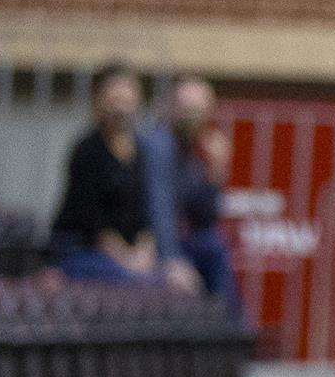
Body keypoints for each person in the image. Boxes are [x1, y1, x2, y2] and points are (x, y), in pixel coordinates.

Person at [50, 61, 190, 290]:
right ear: (99, 102)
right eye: (115, 100)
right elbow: (89, 218)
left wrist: (145, 249)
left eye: (127, 101)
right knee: (138, 282)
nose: (122, 109)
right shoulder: (87, 150)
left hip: (133, 253)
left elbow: (149, 210)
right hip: (84, 250)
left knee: (181, 279)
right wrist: (126, 258)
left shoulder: (144, 151)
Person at [143, 74, 239, 317]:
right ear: (171, 109)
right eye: (186, 109)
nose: (193, 119)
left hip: (177, 242)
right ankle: (227, 332)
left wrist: (217, 172)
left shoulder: (190, 150)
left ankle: (228, 331)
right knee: (209, 251)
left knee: (213, 245)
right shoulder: (160, 145)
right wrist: (171, 259)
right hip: (145, 242)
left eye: (199, 111)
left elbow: (203, 217)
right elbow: (159, 208)